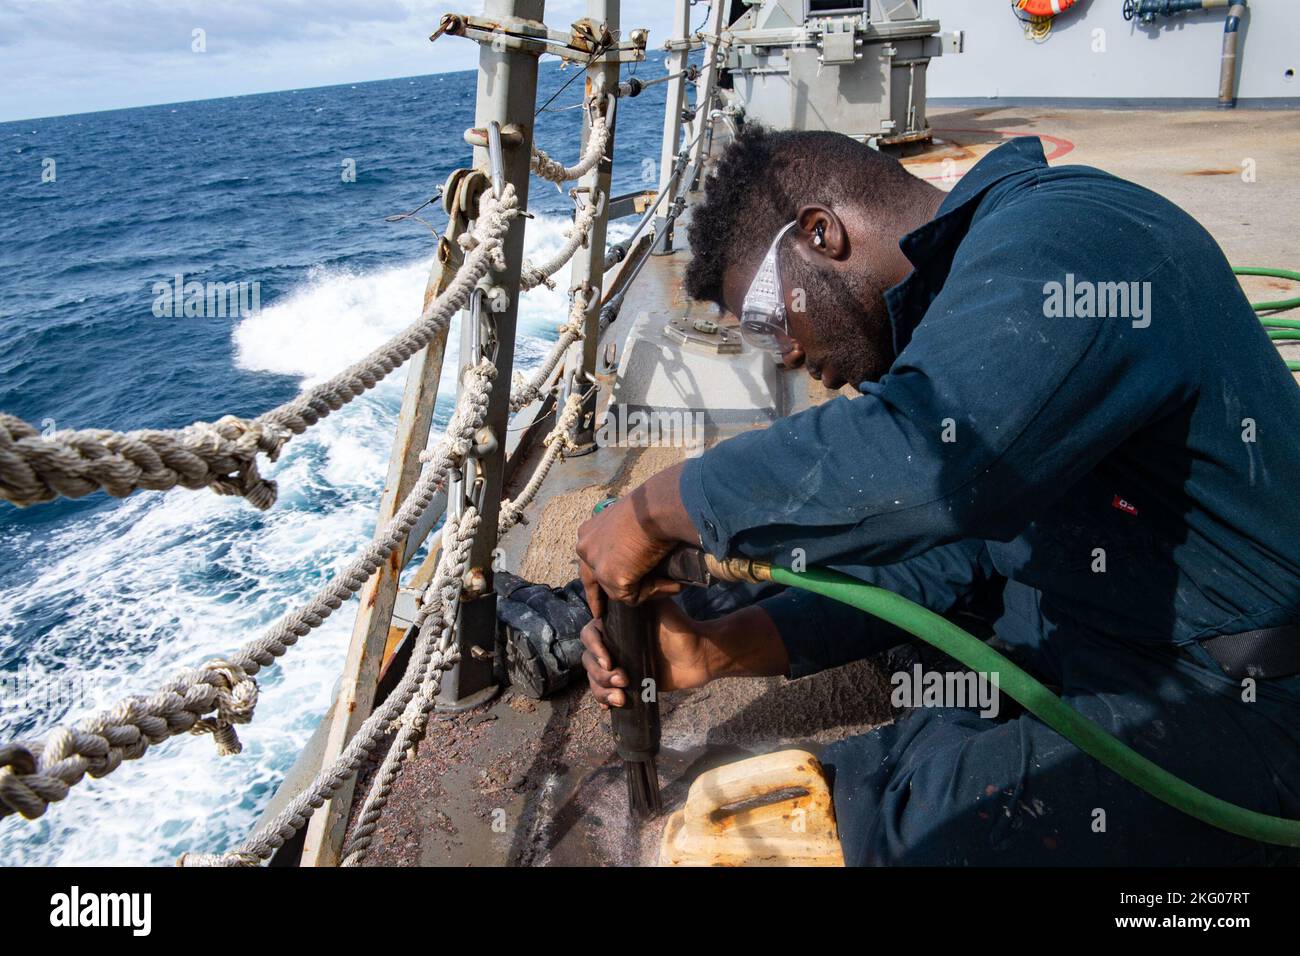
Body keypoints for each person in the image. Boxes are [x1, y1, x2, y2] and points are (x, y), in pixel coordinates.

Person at [575, 125, 1300, 865]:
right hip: (1094, 627)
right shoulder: (971, 292)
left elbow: (932, 467)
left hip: (1242, 697)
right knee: (866, 753)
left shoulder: (1067, 244)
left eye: (768, 323)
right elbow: (952, 559)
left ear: (820, 234)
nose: (786, 355)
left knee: (904, 832)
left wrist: (657, 507)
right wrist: (717, 647)